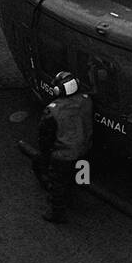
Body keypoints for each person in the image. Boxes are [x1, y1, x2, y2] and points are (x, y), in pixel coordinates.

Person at [33, 71, 94, 223]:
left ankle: (57, 212)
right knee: (82, 174)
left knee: (58, 184)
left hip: (64, 156)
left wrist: (45, 155)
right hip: (85, 149)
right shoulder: (87, 100)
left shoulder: (53, 110)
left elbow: (45, 137)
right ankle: (80, 193)